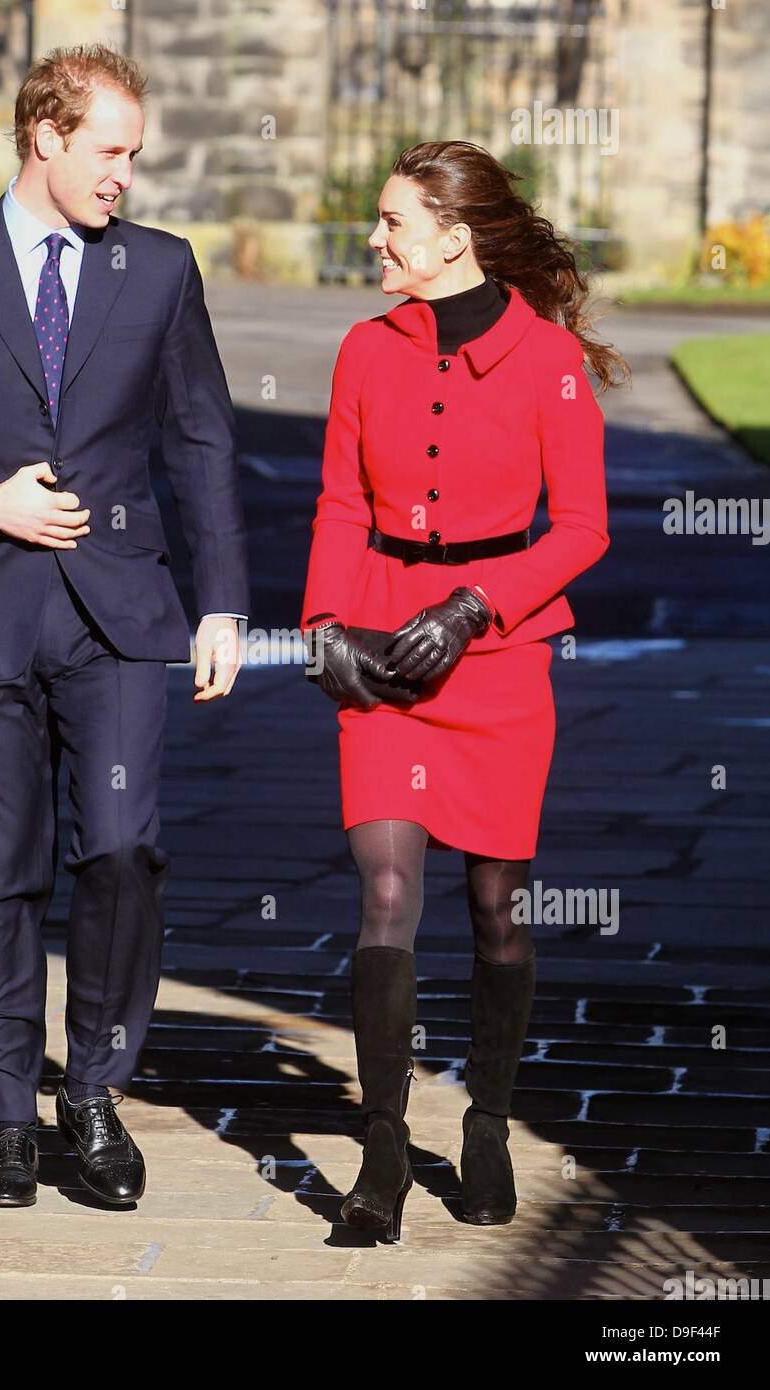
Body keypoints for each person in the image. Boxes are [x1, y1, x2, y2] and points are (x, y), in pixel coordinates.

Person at [0, 44, 249, 1208]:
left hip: (119, 613)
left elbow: (202, 440)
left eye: (132, 153)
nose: (126, 174)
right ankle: (8, 1117)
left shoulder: (161, 271)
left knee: (120, 847)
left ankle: (95, 1093)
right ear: (46, 138)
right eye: (110, 152)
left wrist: (220, 603)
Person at [301, 140, 628, 1241]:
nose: (375, 237)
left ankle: (486, 1119)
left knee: (495, 908)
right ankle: (382, 1153)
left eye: (392, 220)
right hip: (383, 650)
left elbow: (581, 528)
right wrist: (320, 624)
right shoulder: (360, 350)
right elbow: (341, 500)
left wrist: (474, 606)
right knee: (384, 893)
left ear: (453, 235)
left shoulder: (546, 363)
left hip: (496, 653)